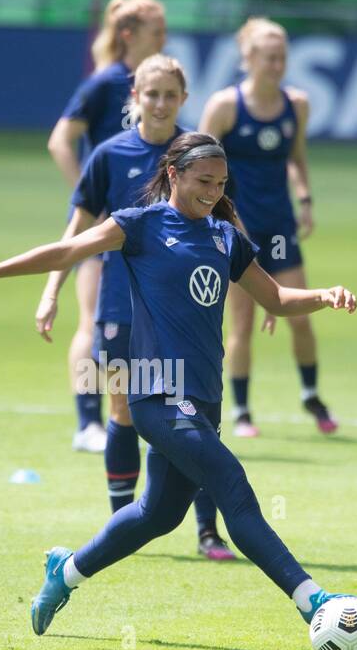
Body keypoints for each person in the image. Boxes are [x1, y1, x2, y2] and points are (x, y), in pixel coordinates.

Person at [0, 133, 357, 635]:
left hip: (204, 397)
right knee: (231, 484)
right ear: (174, 174)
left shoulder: (225, 237)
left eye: (221, 183)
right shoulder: (138, 226)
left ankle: (66, 571)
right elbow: (65, 251)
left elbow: (275, 299)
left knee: (157, 514)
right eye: (203, 181)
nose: (212, 191)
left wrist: (325, 294)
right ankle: (311, 598)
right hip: (156, 393)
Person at [35, 54, 235, 560]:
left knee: (196, 419)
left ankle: (208, 531)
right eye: (152, 94)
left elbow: (229, 224)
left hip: (183, 310)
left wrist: (266, 292)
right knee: (122, 406)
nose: (161, 103)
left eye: (171, 94)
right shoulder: (108, 155)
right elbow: (76, 229)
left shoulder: (198, 152)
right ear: (135, 98)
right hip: (120, 304)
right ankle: (122, 520)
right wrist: (51, 289)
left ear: (184, 99)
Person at [198, 18, 336, 437]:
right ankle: (241, 410)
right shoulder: (224, 106)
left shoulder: (297, 104)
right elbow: (198, 167)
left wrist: (306, 198)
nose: (277, 65)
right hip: (237, 226)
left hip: (280, 227)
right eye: (269, 57)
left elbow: (296, 158)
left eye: (282, 57)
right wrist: (213, 218)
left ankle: (311, 394)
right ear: (249, 59)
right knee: (241, 324)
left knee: (301, 315)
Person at [45, 0, 166, 454]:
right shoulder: (106, 82)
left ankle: (135, 413)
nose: (164, 38)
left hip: (148, 227)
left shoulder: (157, 84)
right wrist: (88, 198)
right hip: (106, 223)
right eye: (158, 31)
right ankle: (87, 422)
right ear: (131, 34)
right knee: (93, 322)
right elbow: (60, 141)